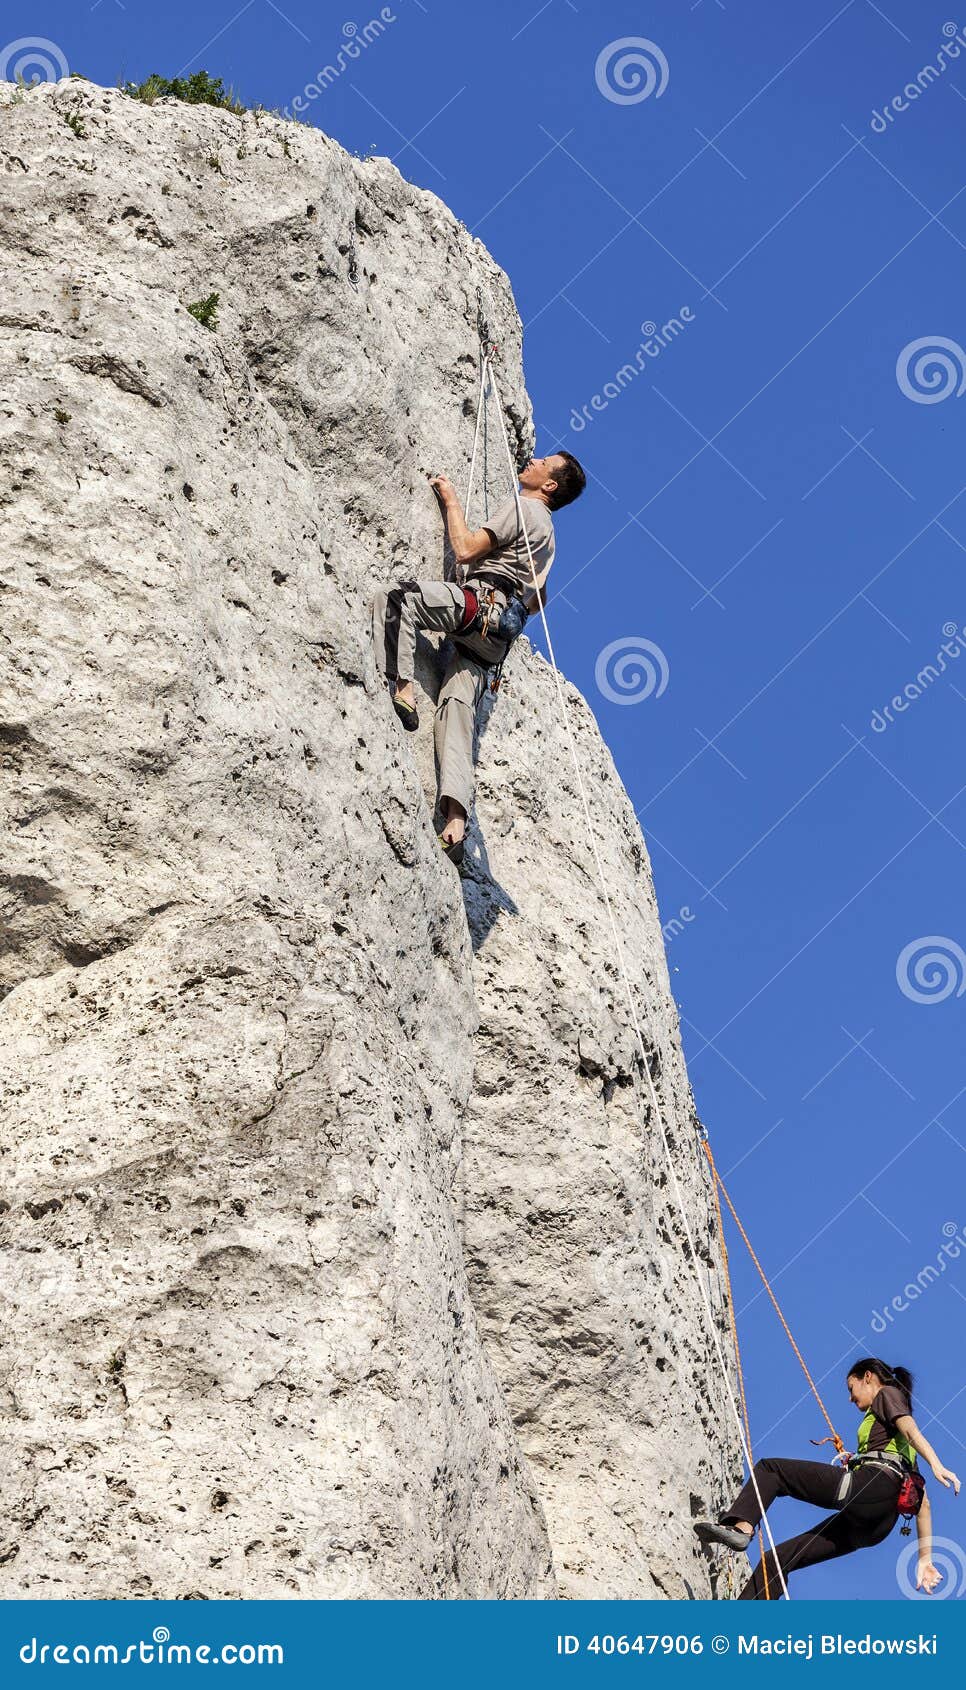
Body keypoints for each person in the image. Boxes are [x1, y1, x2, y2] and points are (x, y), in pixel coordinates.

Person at [370, 452, 586, 866]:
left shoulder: (527, 507)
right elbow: (538, 600)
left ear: (550, 485)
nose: (532, 459)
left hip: (477, 609)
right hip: (495, 641)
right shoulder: (550, 537)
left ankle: (402, 688)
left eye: (542, 462)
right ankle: (455, 819)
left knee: (396, 600)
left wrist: (451, 500)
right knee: (456, 711)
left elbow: (465, 550)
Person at [692, 1358, 960, 1599]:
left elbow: (910, 1427)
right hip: (875, 1526)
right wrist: (925, 1559)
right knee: (776, 1561)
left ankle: (741, 1529)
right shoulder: (903, 1455)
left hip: (870, 1489)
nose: (850, 1398)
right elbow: (921, 1502)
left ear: (868, 1377)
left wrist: (936, 1463)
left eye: (851, 1388)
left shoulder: (886, 1394)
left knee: (770, 1470)